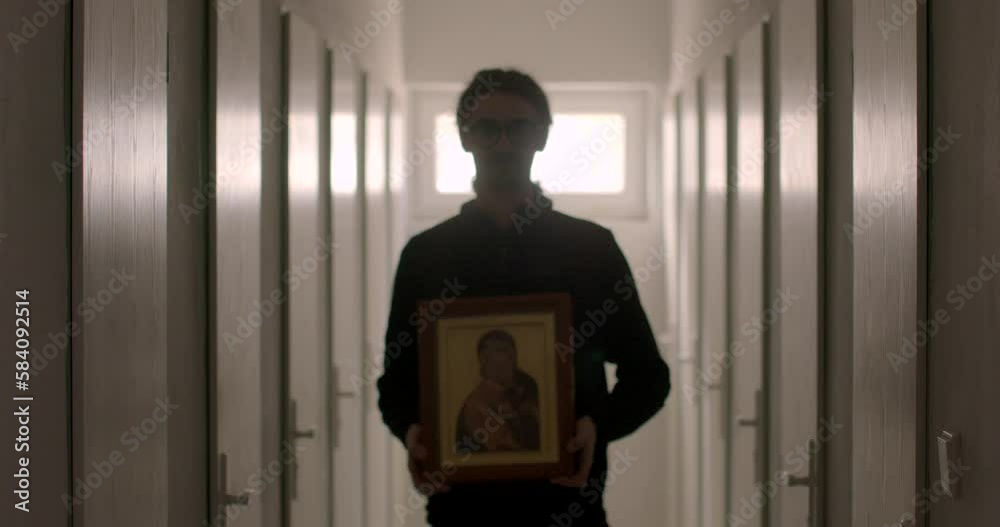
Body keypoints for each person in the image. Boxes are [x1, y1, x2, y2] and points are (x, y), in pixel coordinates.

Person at [376, 68, 671, 527]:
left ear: (542, 138)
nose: (504, 144)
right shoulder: (427, 256)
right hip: (461, 512)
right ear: (465, 137)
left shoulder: (591, 249)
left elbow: (649, 376)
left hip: (569, 509)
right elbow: (395, 384)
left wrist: (597, 428)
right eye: (486, 129)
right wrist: (414, 433)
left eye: (519, 129)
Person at [455, 329, 541, 453]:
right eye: (502, 351)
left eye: (512, 353)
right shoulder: (477, 405)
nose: (511, 359)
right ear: (484, 360)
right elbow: (509, 450)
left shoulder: (517, 395)